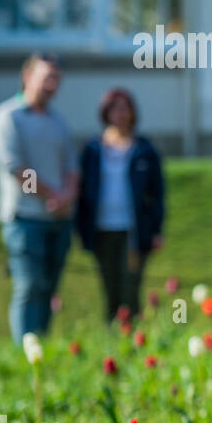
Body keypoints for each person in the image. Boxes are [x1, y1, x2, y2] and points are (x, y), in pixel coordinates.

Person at [0, 53, 79, 341]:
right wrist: (51, 195)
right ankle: (25, 352)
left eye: (56, 79)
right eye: (47, 77)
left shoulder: (58, 121)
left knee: (48, 288)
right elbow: (15, 168)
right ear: (27, 77)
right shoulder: (8, 116)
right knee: (29, 287)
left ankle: (42, 347)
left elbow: (72, 168)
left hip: (58, 219)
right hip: (24, 219)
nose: (52, 85)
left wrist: (66, 197)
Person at [75, 88, 165, 323]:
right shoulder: (93, 149)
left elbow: (157, 193)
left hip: (133, 231)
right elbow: (82, 190)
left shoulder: (144, 149)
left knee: (130, 289)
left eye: (124, 109)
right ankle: (111, 343)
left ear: (132, 113)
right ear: (106, 113)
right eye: (114, 109)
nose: (120, 114)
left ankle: (132, 340)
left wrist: (156, 230)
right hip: (102, 229)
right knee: (110, 288)